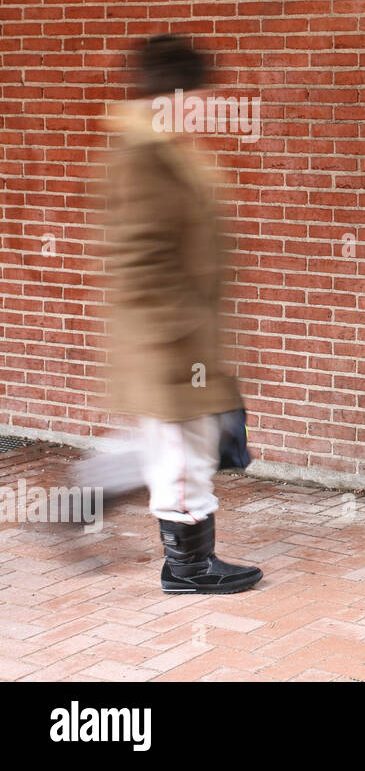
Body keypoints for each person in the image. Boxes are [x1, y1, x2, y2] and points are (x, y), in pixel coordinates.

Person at [99, 33, 261, 594]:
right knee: (182, 453)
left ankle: (90, 492)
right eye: (195, 95)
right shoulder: (146, 159)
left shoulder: (167, 148)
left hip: (186, 340)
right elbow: (139, 259)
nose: (203, 106)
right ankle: (190, 568)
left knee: (188, 443)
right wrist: (181, 335)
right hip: (170, 344)